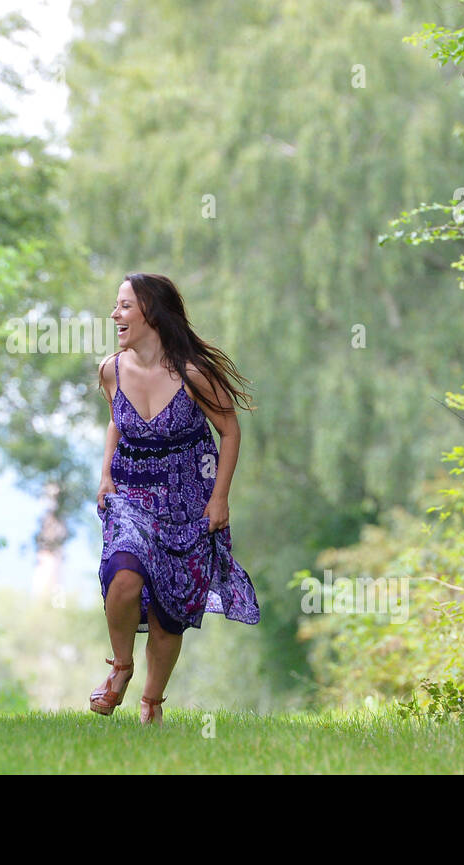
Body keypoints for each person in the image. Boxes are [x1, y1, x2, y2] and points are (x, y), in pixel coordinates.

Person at [91, 272, 260, 725]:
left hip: (188, 498)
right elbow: (116, 421)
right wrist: (105, 473)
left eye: (124, 306)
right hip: (130, 491)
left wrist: (219, 500)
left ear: (151, 312)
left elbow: (229, 430)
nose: (115, 315)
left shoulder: (192, 374)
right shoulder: (111, 369)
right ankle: (121, 669)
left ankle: (152, 703)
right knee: (122, 574)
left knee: (170, 610)